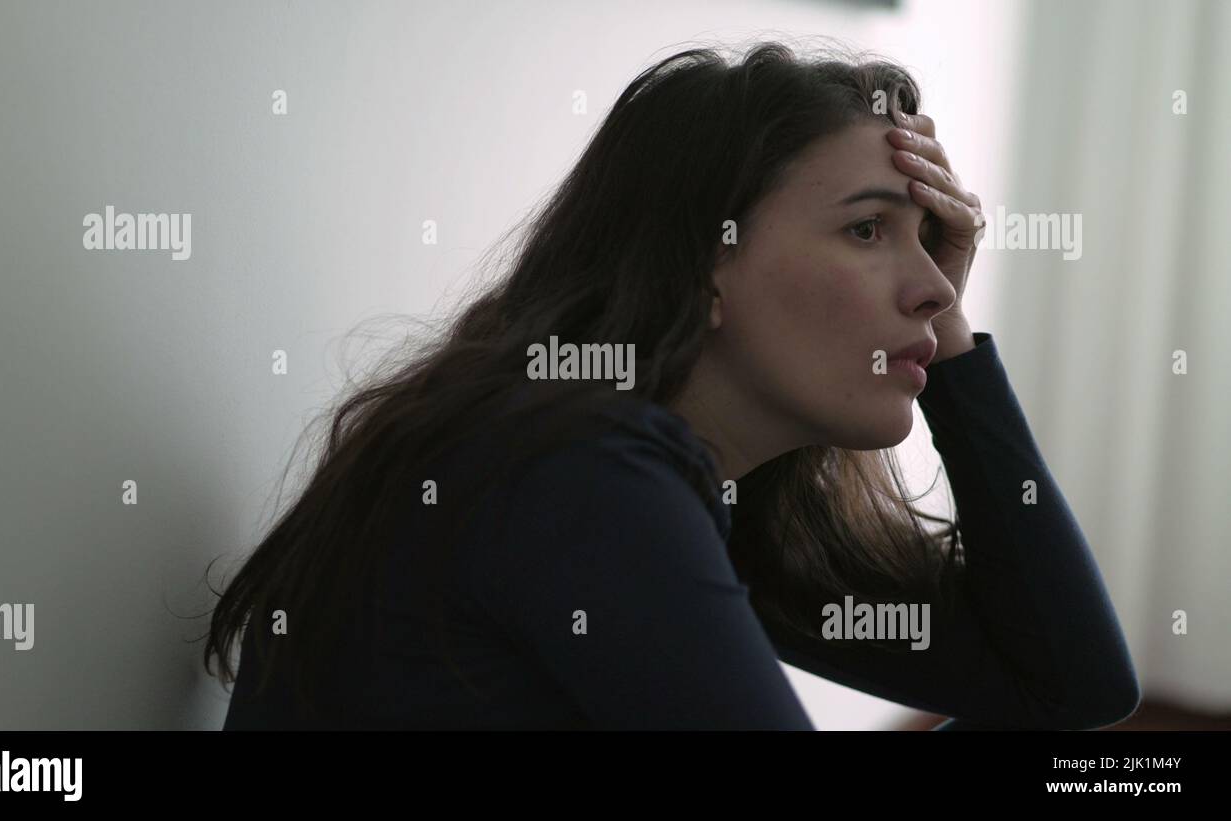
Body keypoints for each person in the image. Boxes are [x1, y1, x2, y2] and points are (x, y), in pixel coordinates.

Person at [205, 40, 1141, 730]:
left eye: (932, 242)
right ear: (704, 265)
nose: (938, 291)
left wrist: (955, 349)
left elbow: (1077, 687)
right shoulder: (579, 470)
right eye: (868, 231)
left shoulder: (690, 491)